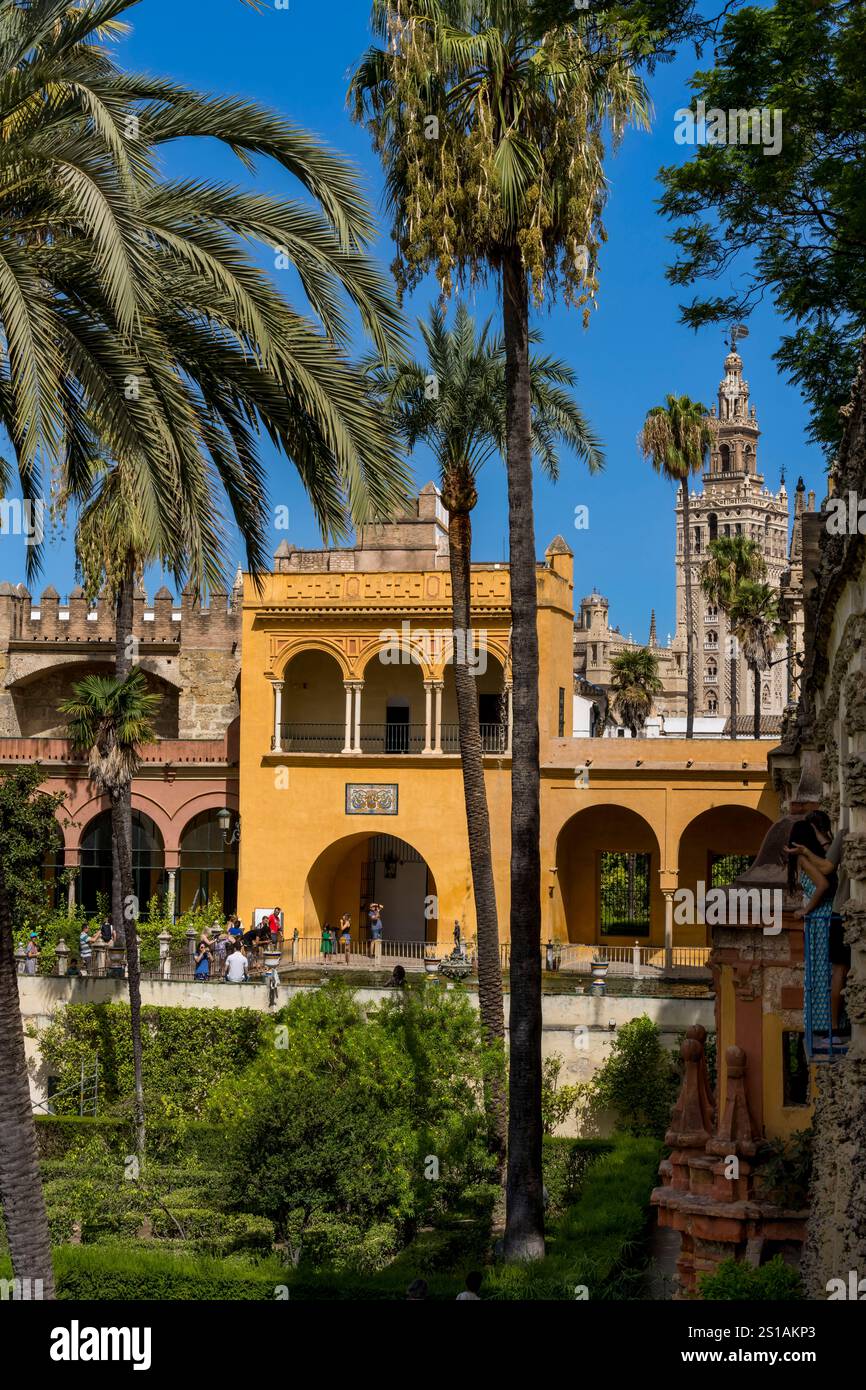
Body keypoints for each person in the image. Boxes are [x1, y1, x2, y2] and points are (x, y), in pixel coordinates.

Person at [792, 810, 852, 1036]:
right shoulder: (832, 843)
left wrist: (806, 909)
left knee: (830, 972)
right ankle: (833, 1023)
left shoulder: (830, 844)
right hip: (830, 915)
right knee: (831, 971)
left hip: (829, 916)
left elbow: (825, 877)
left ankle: (831, 1024)